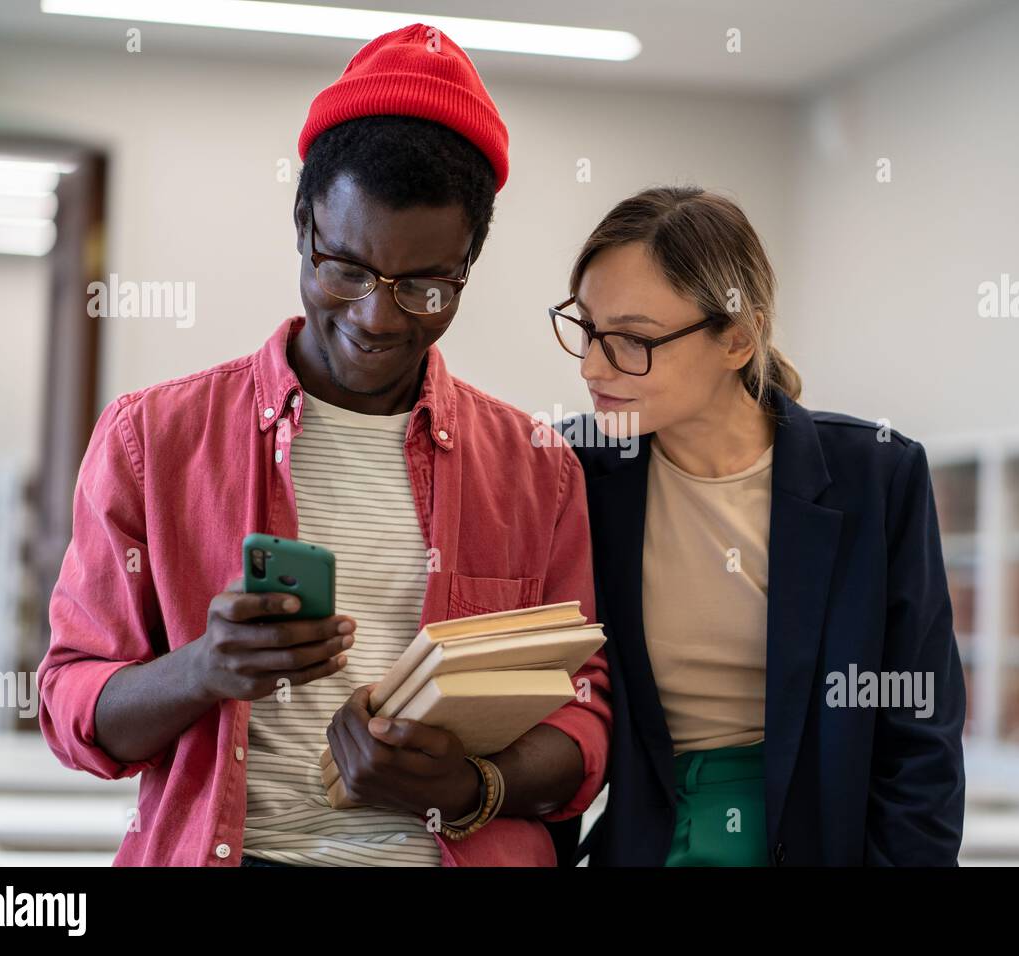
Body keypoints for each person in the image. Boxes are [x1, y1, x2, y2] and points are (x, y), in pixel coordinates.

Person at [37, 23, 609, 867]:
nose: (378, 319)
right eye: (346, 268)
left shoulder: (536, 470)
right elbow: (69, 707)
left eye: (424, 287)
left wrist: (467, 787)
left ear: (469, 264)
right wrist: (202, 669)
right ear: (302, 222)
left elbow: (583, 711)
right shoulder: (151, 439)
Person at [548, 186, 965, 865]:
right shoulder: (574, 472)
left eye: (630, 339)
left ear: (737, 338)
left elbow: (919, 737)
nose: (593, 367)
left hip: (820, 840)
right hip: (648, 842)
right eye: (587, 328)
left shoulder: (876, 476)